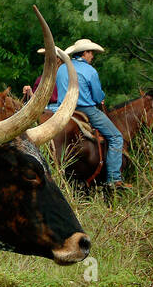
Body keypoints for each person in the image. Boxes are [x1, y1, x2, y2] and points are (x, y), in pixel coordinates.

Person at [48, 38, 128, 190]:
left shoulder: (62, 68)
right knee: (117, 137)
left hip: (62, 110)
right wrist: (101, 97)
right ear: (84, 53)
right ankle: (114, 178)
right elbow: (98, 97)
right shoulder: (90, 71)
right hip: (85, 110)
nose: (92, 56)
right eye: (91, 53)